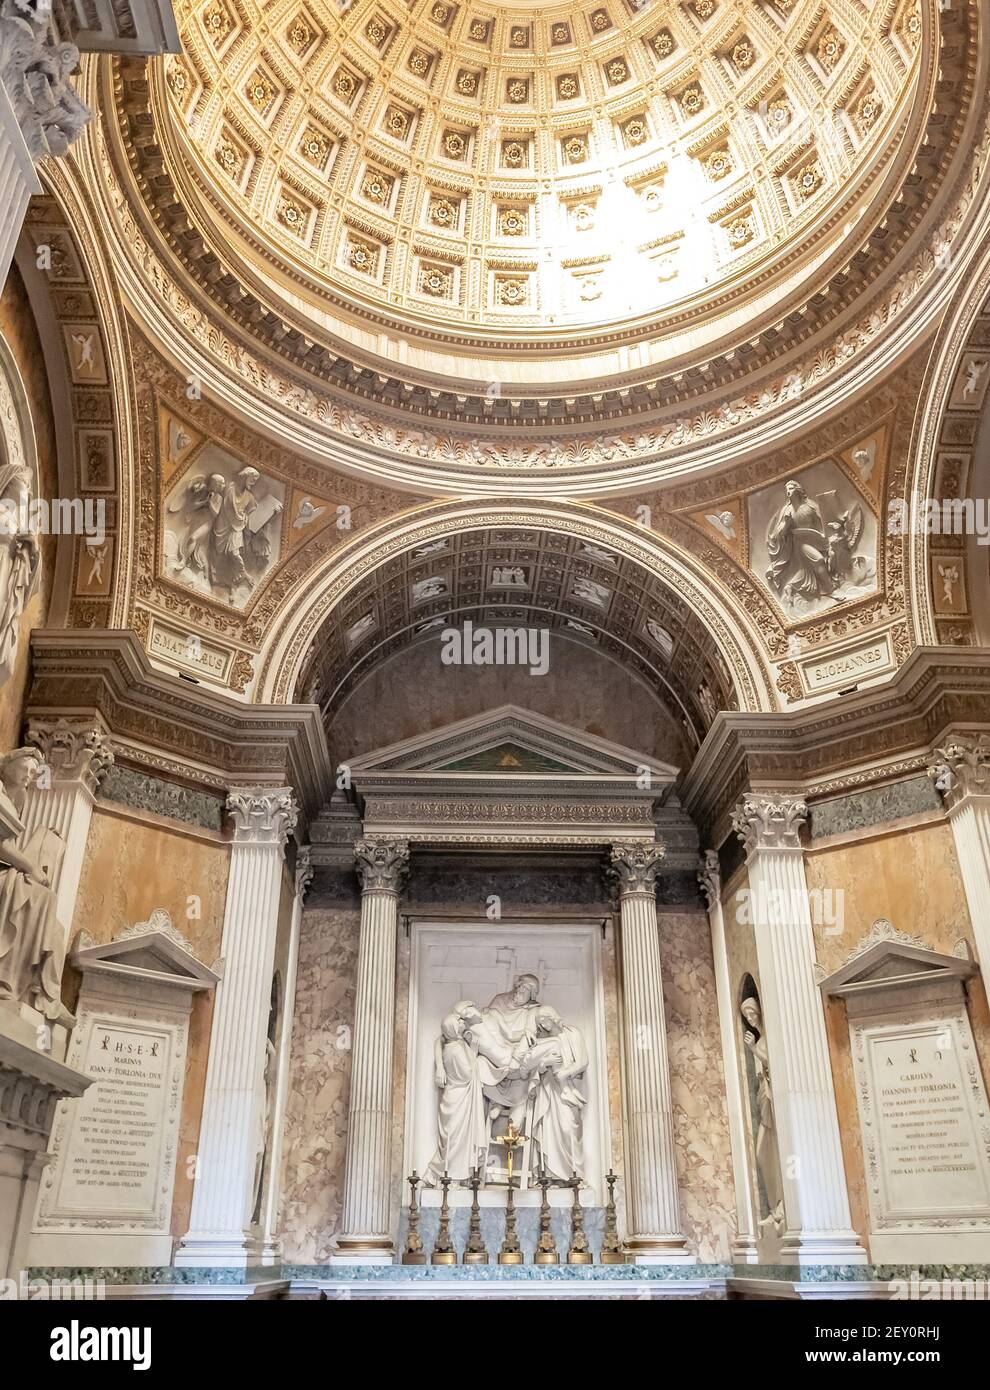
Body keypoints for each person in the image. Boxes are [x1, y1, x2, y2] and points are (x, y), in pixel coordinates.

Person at [0, 748, 69, 1021]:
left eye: (33, 772)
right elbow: (3, 845)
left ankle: (43, 994)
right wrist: (31, 867)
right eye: (25, 769)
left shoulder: (17, 800)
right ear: (8, 766)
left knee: (57, 930)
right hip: (5, 871)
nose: (29, 776)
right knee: (44, 898)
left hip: (9, 870)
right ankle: (7, 980)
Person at [523, 1005, 588, 1181]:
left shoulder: (573, 1033)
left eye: (544, 1019)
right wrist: (545, 1064)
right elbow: (530, 1064)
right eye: (539, 1022)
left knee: (569, 1128)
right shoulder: (543, 1041)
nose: (543, 1025)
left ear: (552, 1017)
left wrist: (564, 1073)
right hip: (548, 1090)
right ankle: (550, 1176)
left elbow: (582, 1061)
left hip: (566, 1088)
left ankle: (574, 1175)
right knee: (547, 1132)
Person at [740, 995, 785, 1232]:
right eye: (746, 1016)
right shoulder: (759, 1041)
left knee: (774, 1151)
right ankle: (775, 1207)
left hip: (774, 1101)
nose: (749, 1018)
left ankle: (782, 1208)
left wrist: (754, 1051)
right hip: (764, 1101)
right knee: (762, 1153)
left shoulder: (769, 1040)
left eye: (751, 1012)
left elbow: (777, 1064)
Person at [429, 1010, 488, 1183]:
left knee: (456, 1139)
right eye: (459, 1022)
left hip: (455, 1097)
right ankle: (454, 1175)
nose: (463, 1023)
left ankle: (454, 1174)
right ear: (454, 1029)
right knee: (457, 1140)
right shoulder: (455, 1049)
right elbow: (467, 1073)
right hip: (459, 1099)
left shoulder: (453, 1045)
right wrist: (475, 1053)